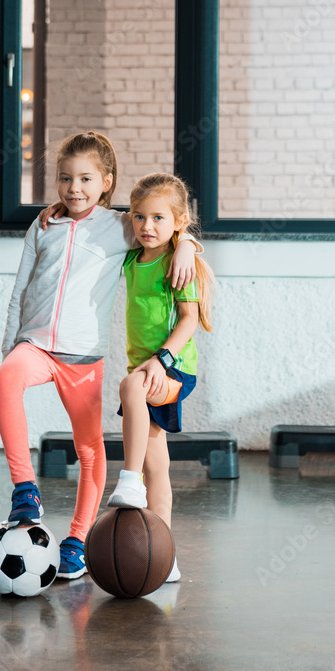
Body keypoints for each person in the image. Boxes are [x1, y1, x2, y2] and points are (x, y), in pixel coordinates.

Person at [0, 133, 204, 579]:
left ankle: (77, 541)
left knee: (91, 449)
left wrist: (188, 244)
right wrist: (13, 341)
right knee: (5, 378)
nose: (75, 188)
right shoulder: (44, 224)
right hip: (35, 345)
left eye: (86, 178)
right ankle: (24, 489)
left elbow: (165, 227)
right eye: (65, 178)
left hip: (84, 357)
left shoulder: (121, 226)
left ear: (106, 182)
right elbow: (20, 287)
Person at [107, 172, 216, 582]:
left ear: (178, 222)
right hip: (144, 366)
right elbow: (100, 220)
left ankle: (127, 480)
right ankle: (165, 555)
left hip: (172, 367)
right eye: (139, 217)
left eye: (158, 218)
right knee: (160, 465)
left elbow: (189, 320)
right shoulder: (134, 257)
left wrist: (163, 359)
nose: (147, 226)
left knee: (130, 386)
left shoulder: (179, 262)